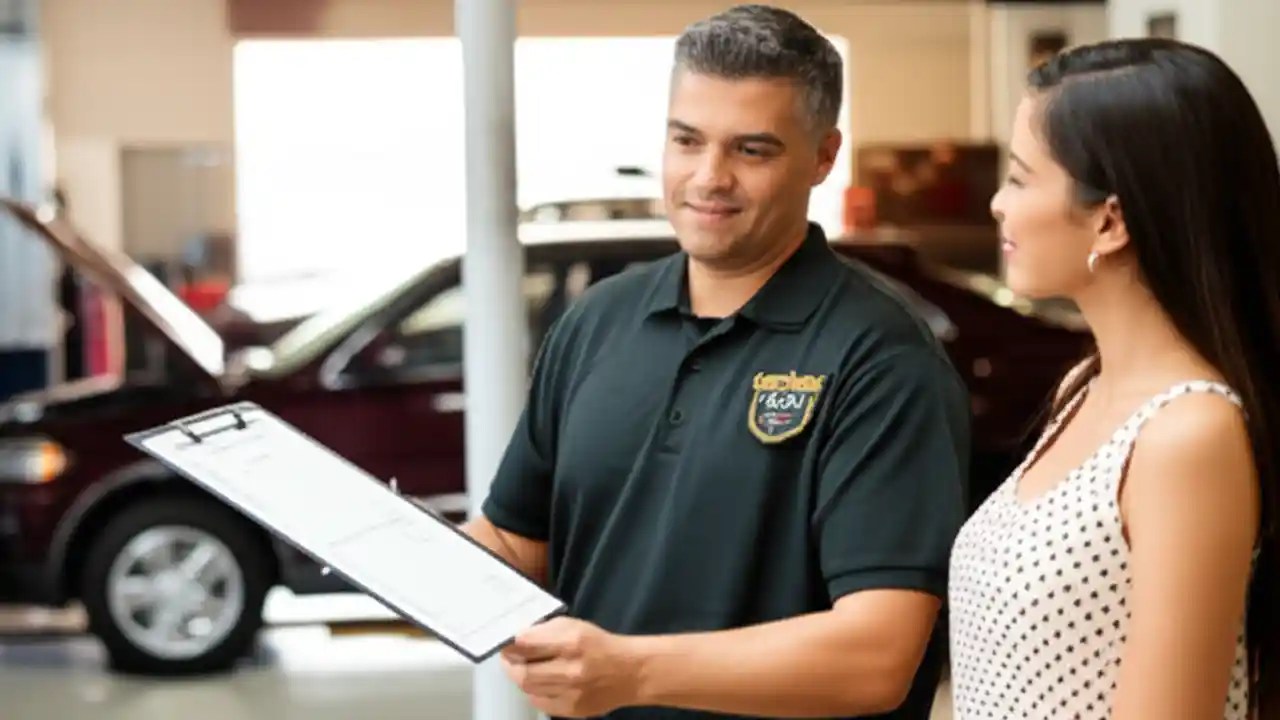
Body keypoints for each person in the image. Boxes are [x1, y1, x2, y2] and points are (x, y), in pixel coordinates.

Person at [461, 5, 970, 719]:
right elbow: (517, 544)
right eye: (686, 140)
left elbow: (876, 657)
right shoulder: (597, 321)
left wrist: (632, 673)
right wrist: (378, 543)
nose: (708, 177)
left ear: (824, 156)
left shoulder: (879, 358)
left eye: (751, 150)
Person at [948, 38, 1280, 719]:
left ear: (1110, 219)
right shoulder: (1083, 387)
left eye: (1019, 177)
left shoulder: (1188, 435)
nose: (997, 205)